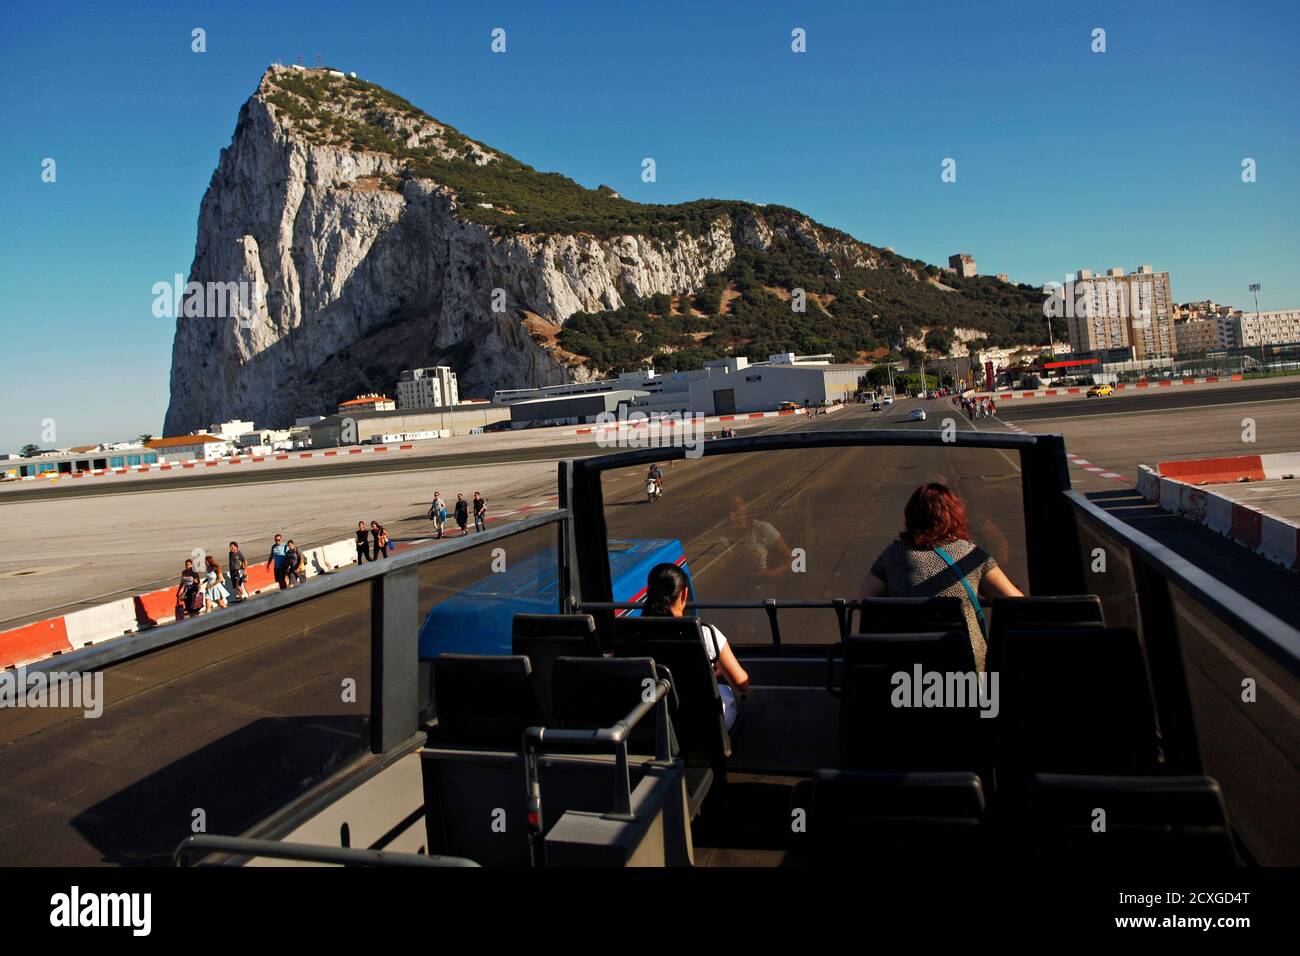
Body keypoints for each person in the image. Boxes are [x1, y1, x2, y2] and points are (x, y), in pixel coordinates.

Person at [859, 482, 1023, 670]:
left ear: (911, 516)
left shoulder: (892, 555)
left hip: (907, 673)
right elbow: (1017, 604)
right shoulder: (971, 556)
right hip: (966, 673)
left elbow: (864, 604)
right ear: (955, 516)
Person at [643, 562, 749, 732]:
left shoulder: (630, 633)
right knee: (727, 692)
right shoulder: (705, 633)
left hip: (651, 724)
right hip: (700, 725)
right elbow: (741, 684)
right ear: (684, 594)